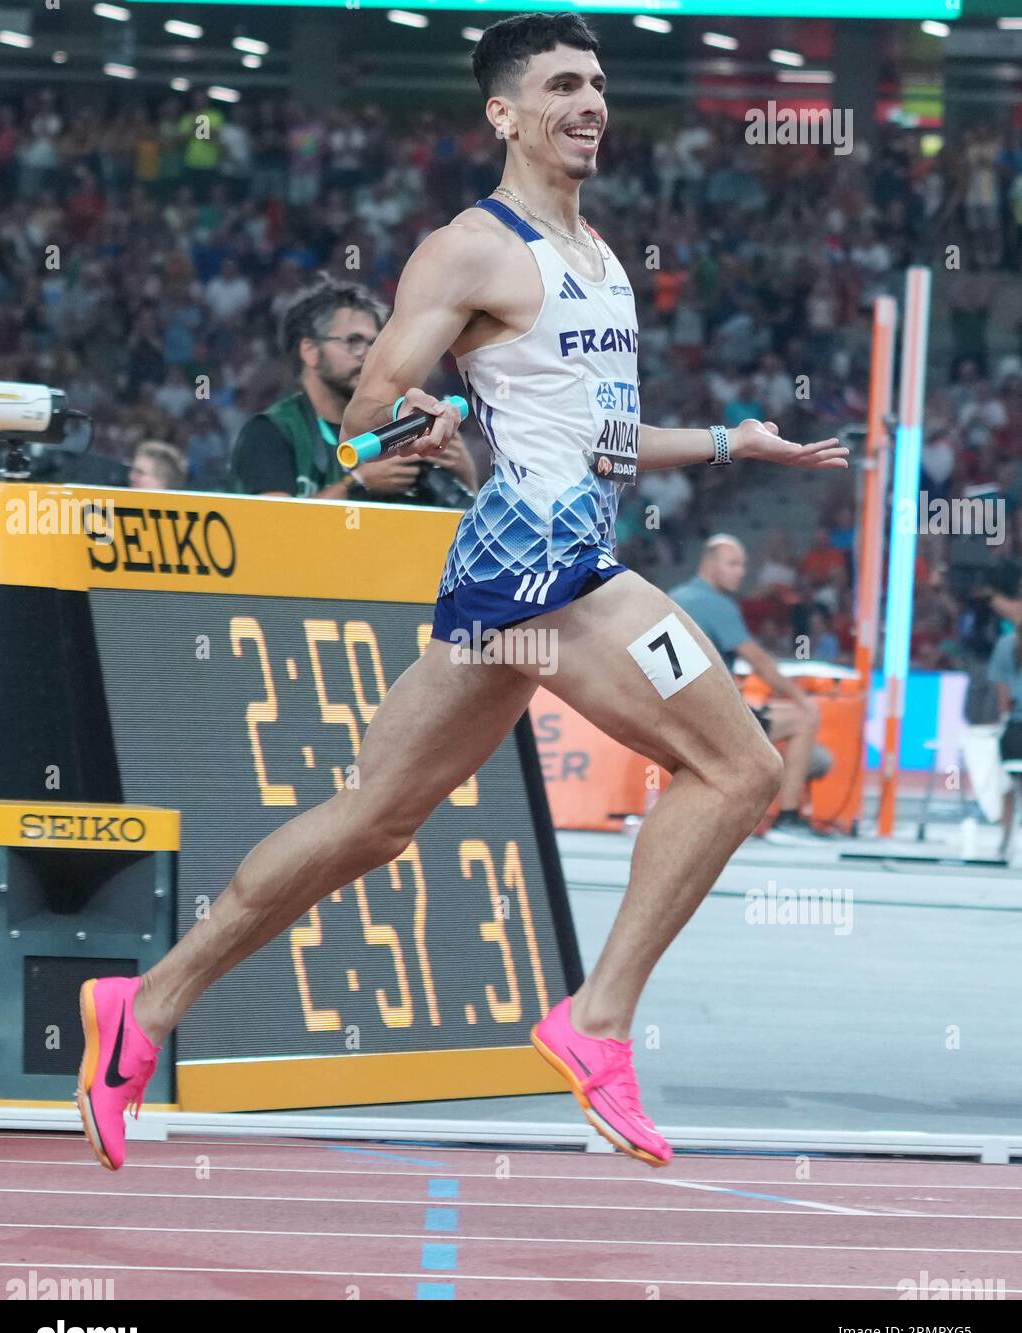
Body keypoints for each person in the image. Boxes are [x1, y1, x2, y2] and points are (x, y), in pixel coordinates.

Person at [76, 13, 846, 1173]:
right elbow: (359, 408)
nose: (590, 103)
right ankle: (592, 1024)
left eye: (597, 83)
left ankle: (145, 1004)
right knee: (737, 766)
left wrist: (733, 442)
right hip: (544, 566)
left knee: (373, 822)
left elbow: (601, 440)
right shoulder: (468, 249)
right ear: (503, 113)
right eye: (562, 85)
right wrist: (419, 420)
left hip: (523, 563)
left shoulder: (597, 255)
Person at [231, 273, 477, 502]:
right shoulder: (272, 431)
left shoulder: (403, 430)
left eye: (375, 345)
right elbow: (270, 530)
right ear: (310, 351)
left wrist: (465, 474)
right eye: (354, 341)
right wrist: (358, 483)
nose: (369, 356)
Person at [671, 536, 832, 842]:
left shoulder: (672, 596)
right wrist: (802, 699)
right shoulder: (715, 604)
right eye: (733, 564)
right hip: (710, 719)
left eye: (743, 565)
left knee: (816, 755)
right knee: (804, 720)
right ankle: (787, 819)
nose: (741, 572)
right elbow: (759, 661)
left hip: (678, 715)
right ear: (710, 563)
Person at [988, 621, 1022, 859]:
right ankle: (1005, 838)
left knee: (1009, 786)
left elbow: (1002, 689)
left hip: (1012, 725)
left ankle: (1005, 839)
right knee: (1009, 785)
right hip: (1014, 725)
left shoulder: (1004, 645)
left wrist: (1004, 717)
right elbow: (1001, 687)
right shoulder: (1005, 647)